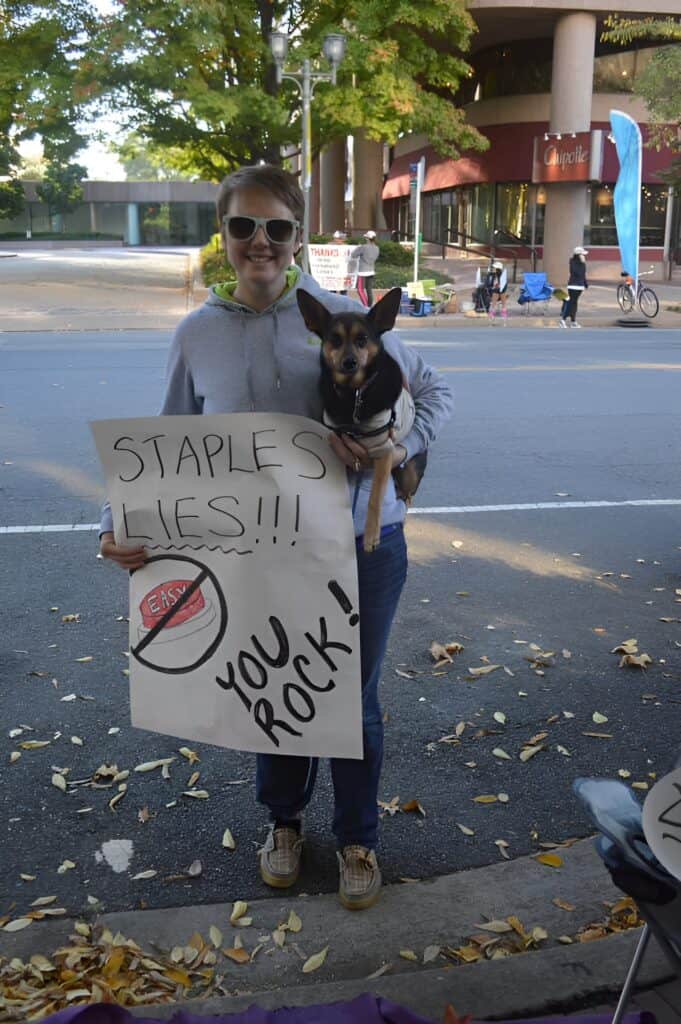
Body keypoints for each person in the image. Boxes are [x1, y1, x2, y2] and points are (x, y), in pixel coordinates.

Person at [98, 164, 453, 912]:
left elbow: (434, 392)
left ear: (297, 235)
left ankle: (358, 837)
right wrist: (118, 526)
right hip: (262, 548)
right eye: (242, 226)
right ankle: (284, 825)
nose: (259, 242)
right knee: (276, 683)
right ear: (222, 234)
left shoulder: (339, 317)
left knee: (351, 699)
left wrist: (398, 442)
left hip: (363, 543)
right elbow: (172, 439)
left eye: (277, 227)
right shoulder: (196, 334)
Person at [560, 246, 588, 328]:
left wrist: (585, 284)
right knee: (571, 303)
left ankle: (573, 321)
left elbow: (583, 275)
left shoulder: (583, 263)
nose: (584, 256)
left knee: (574, 303)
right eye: (582, 254)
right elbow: (575, 272)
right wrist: (580, 264)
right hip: (573, 285)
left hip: (580, 286)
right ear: (578, 255)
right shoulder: (573, 262)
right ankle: (563, 320)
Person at [354, 229, 380, 306]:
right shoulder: (377, 248)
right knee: (369, 290)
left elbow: (354, 255)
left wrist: (358, 247)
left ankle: (365, 306)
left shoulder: (363, 247)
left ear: (367, 238)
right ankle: (369, 305)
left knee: (360, 290)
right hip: (371, 270)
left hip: (362, 271)